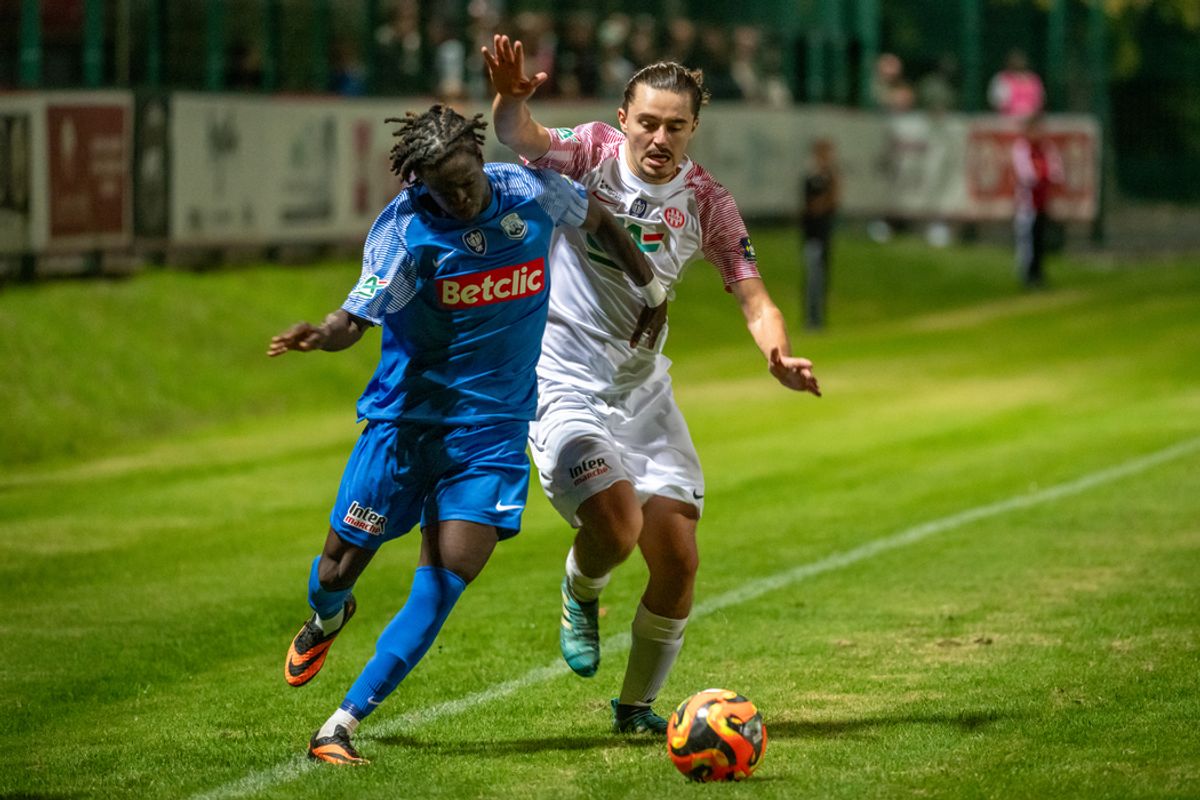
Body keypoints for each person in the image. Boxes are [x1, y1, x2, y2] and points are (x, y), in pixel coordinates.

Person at [269, 104, 665, 765]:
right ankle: (329, 616)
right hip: (406, 426)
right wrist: (322, 333)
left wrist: (650, 289)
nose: (457, 197)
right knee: (336, 566)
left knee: (451, 569)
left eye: (464, 181)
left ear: (480, 161)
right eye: (440, 188)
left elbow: (599, 218)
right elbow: (355, 316)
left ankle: (339, 724)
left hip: (493, 432)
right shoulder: (405, 234)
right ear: (419, 184)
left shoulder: (530, 192)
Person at [482, 35, 821, 734]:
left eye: (675, 126)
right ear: (624, 116)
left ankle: (635, 709)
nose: (658, 138)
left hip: (640, 392)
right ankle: (582, 588)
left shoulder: (706, 201)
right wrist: (512, 98)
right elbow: (521, 134)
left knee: (678, 556)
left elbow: (754, 297)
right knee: (617, 521)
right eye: (648, 122)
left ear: (693, 129)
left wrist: (778, 353)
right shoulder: (593, 153)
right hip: (560, 379)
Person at [1011, 113, 1063, 288]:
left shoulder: (1046, 148)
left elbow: (1055, 171)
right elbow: (1026, 175)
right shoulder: (1022, 148)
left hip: (1042, 200)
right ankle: (1027, 273)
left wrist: (1047, 177)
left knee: (1040, 237)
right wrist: (1041, 177)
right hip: (1027, 202)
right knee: (1027, 239)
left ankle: (1038, 271)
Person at [800, 138, 840, 330]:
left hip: (825, 235)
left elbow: (835, 202)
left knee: (822, 277)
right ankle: (811, 318)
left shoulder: (829, 177)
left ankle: (819, 318)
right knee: (813, 277)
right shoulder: (812, 178)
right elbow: (813, 207)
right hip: (812, 235)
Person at [988, 49, 1045, 120]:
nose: (1018, 62)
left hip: (1030, 122)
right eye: (1015, 60)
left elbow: (1039, 101)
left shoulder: (1033, 78)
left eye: (1020, 60)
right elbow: (997, 102)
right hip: (1007, 121)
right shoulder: (1001, 79)